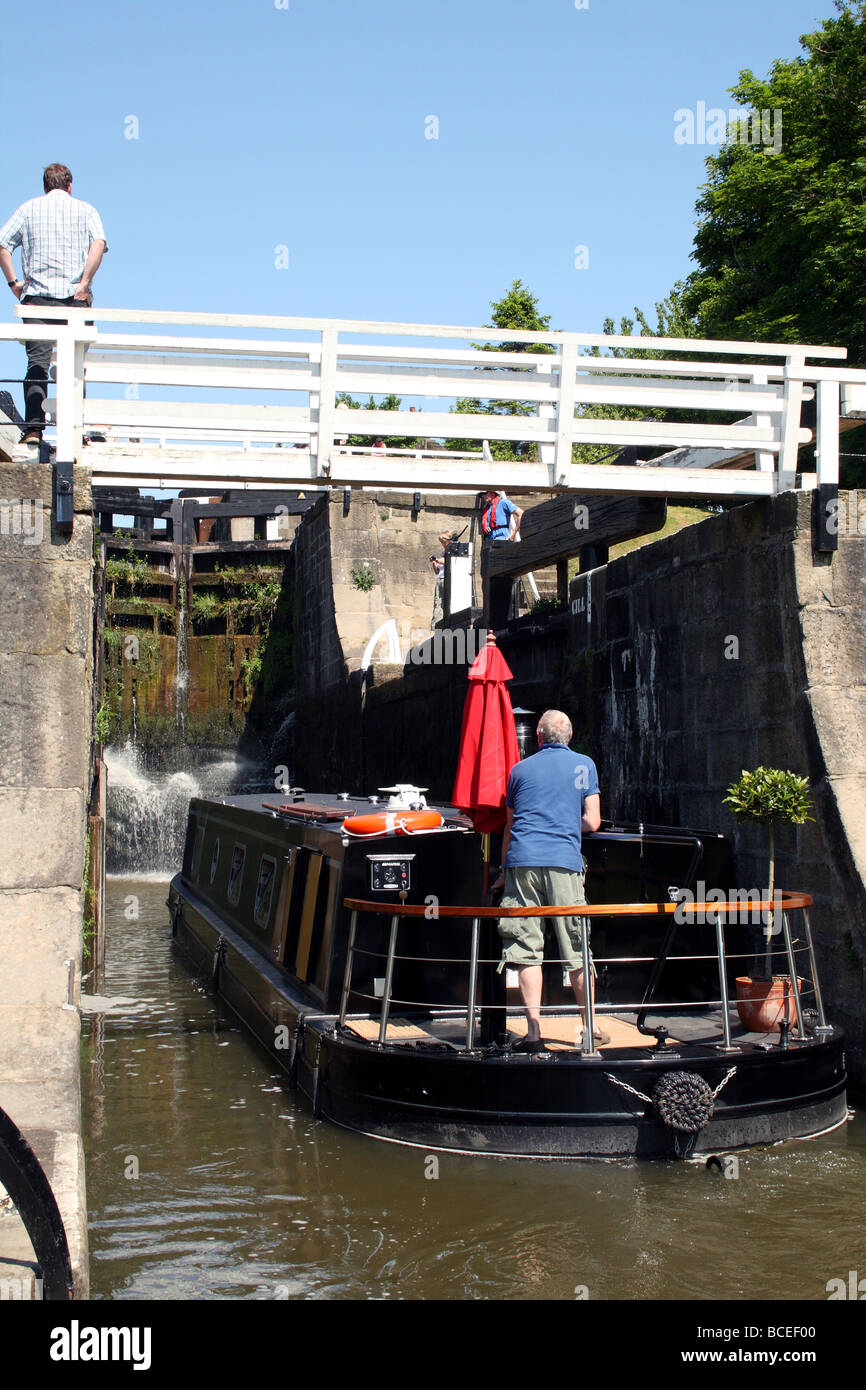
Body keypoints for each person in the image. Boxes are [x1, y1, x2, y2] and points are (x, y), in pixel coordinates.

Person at [492, 709, 602, 1053]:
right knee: (576, 948)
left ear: (538, 737)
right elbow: (593, 822)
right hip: (563, 863)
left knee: (526, 949)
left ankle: (534, 1033)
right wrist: (566, 821)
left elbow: (511, 826)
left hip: (522, 861)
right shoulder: (584, 765)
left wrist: (501, 872)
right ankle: (589, 1027)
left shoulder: (518, 770)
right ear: (569, 737)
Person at [0, 164, 107, 450]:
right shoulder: (86, 210)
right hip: (75, 299)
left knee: (37, 363)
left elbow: (2, 245)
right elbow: (98, 243)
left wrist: (14, 283)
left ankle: (34, 428)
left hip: (37, 300)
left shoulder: (27, 210)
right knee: (73, 367)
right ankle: (75, 430)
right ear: (70, 185)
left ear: (45, 185)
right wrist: (84, 282)